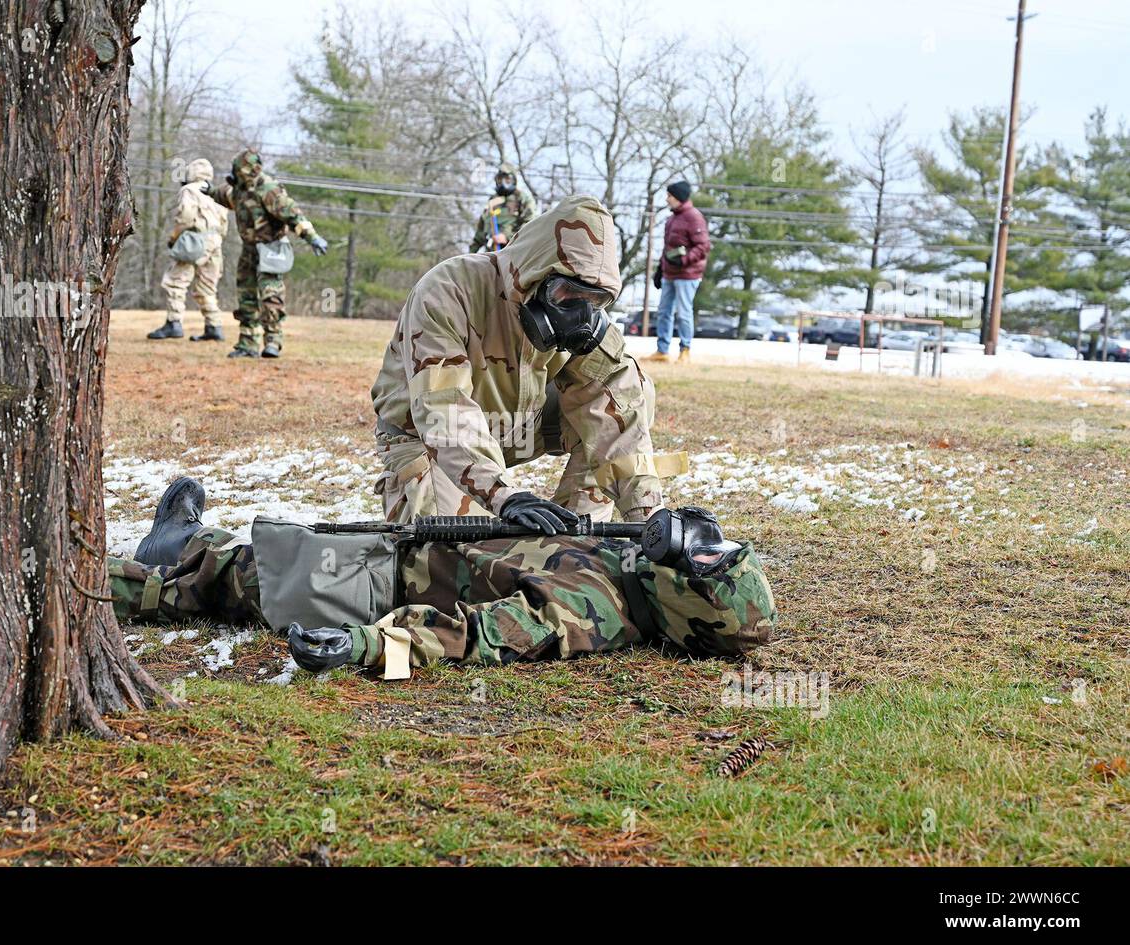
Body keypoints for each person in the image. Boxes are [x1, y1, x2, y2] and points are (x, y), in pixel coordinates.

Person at [108, 477, 777, 679]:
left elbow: (472, 638)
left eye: (707, 559)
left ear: (693, 605)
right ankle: (185, 544)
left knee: (233, 578)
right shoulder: (628, 558)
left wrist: (365, 648)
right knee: (257, 559)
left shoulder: (593, 610)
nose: (696, 541)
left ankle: (115, 581)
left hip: (372, 588)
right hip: (404, 549)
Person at [372, 194, 685, 534]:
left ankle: (575, 535)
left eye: (594, 301)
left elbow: (620, 416)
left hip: (521, 426)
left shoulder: (586, 320)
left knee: (630, 389)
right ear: (534, 274)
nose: (580, 315)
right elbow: (442, 411)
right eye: (567, 294)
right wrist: (503, 497)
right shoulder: (448, 291)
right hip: (427, 437)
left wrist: (652, 521)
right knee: (447, 560)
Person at [209, 150, 329, 359]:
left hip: (271, 249)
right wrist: (207, 190)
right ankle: (247, 343)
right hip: (249, 250)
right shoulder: (239, 189)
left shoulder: (269, 190)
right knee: (246, 296)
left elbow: (293, 215)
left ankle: (273, 341)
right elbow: (225, 196)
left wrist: (312, 237)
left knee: (270, 296)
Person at [148, 158, 232, 342]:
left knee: (176, 281)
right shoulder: (216, 192)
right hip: (216, 242)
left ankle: (174, 323)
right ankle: (214, 326)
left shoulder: (189, 190)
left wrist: (175, 238)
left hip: (195, 239)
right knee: (207, 287)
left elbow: (185, 217)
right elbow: (224, 222)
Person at [645, 180, 711, 364]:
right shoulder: (671, 219)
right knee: (664, 312)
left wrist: (684, 260)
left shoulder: (694, 217)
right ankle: (662, 351)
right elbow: (667, 248)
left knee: (683, 313)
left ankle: (685, 350)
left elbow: (704, 246)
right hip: (669, 274)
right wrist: (660, 270)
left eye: (670, 196)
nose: (667, 199)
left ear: (679, 198)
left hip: (688, 275)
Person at [468, 161, 538, 253]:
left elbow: (530, 225)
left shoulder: (522, 198)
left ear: (514, 180)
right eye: (500, 179)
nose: (503, 182)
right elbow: (480, 233)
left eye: (507, 179)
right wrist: (470, 254)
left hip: (515, 253)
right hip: (492, 254)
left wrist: (507, 237)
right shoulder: (492, 201)